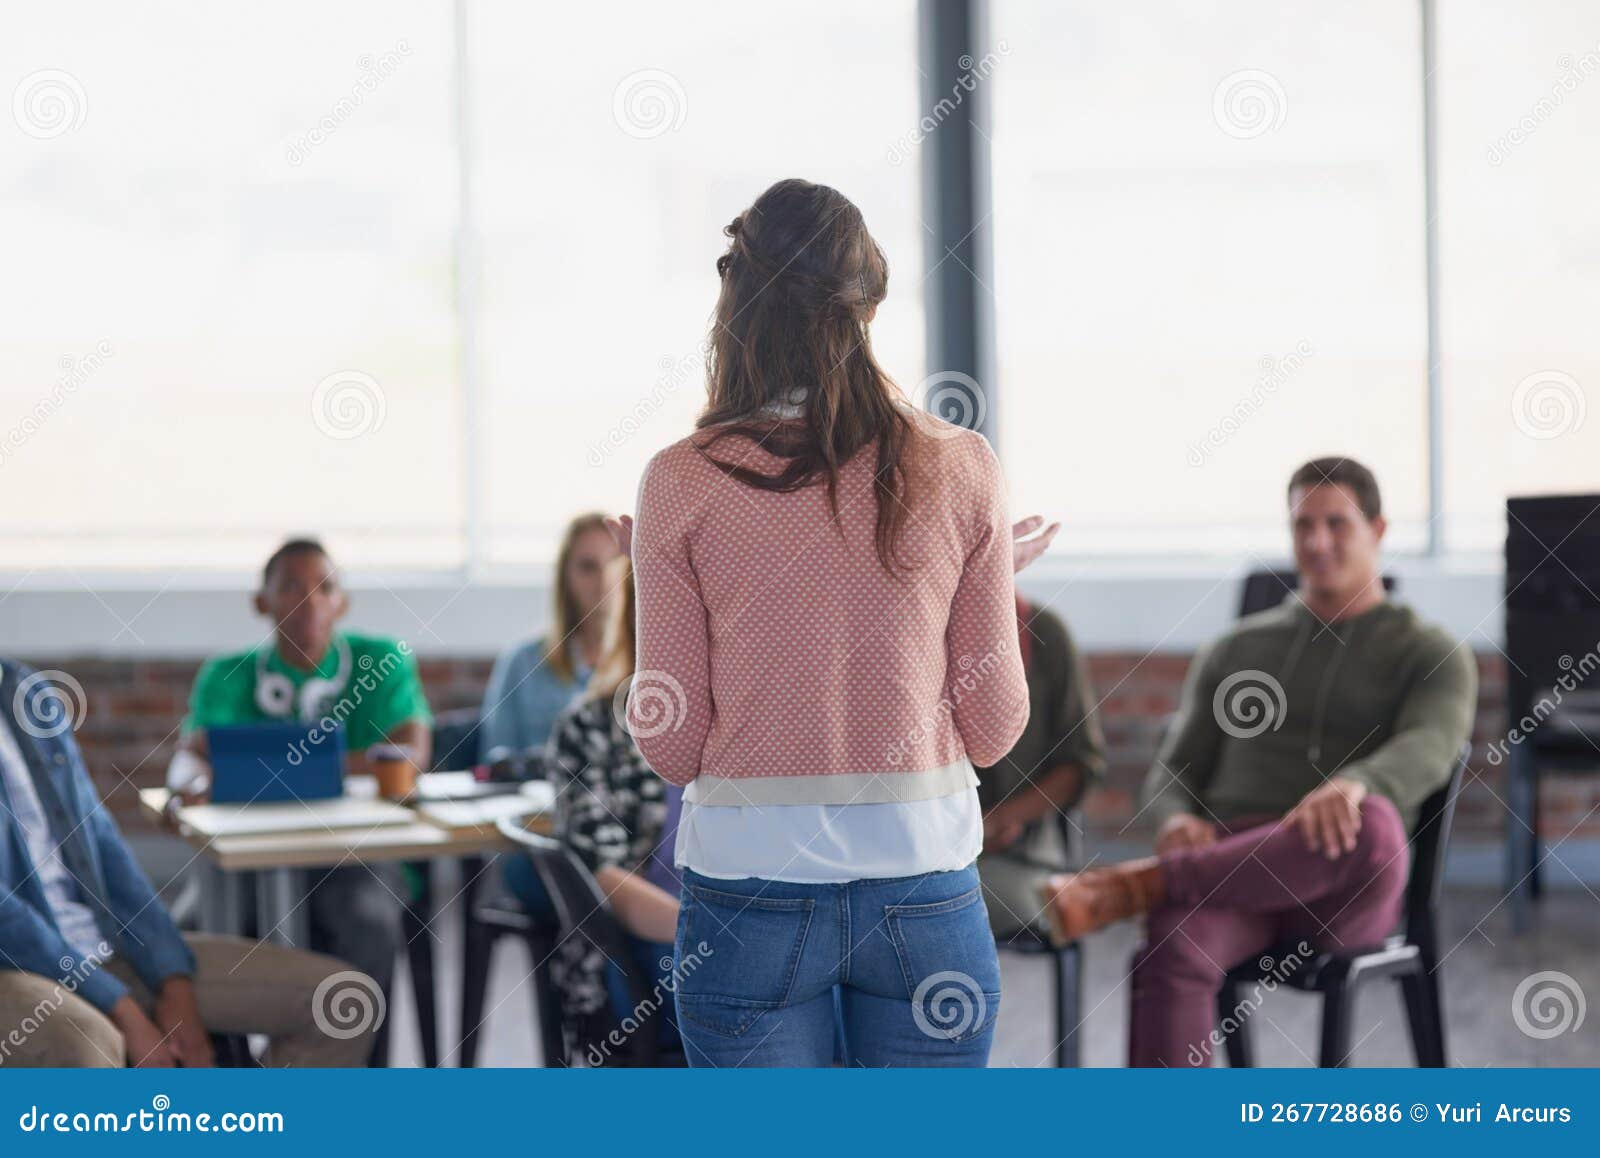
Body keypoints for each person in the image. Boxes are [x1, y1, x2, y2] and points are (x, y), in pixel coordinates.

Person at [623, 178, 1052, 1068]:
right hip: (924, 895)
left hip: (748, 904)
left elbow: (674, 747)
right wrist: (979, 575)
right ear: (867, 302)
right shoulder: (963, 469)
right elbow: (994, 730)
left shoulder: (680, 482)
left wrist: (656, 588)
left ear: (734, 301)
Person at [1035, 457, 1477, 1067]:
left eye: (1337, 524)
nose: (1317, 543)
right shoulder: (1237, 648)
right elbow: (1174, 767)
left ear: (1377, 530)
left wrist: (1355, 783)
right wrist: (1171, 820)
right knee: (1172, 942)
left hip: (1344, 889)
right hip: (1236, 884)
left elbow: (1432, 744)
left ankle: (1142, 884)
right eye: (1303, 526)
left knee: (1372, 824)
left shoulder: (1432, 652)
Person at [0, 660, 375, 1067]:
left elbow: (103, 847)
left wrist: (173, 980)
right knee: (88, 1046)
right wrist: (121, 1007)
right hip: (19, 966)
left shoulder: (28, 692)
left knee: (340, 998)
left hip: (106, 946)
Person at [165, 538, 432, 1017]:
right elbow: (192, 757)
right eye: (290, 586)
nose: (309, 600)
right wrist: (187, 786)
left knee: (366, 921)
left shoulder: (383, 661)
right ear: (260, 602)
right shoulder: (226, 674)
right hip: (246, 864)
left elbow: (408, 755)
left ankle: (343, 1067)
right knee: (181, 938)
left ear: (343, 603)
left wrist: (256, 765)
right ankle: (236, 1075)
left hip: (358, 860)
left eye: (324, 587)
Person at [542, 553, 683, 1057]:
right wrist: (715, 937)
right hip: (663, 940)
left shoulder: (753, 722)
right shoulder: (589, 727)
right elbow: (605, 876)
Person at [480, 513, 620, 917]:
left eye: (615, 565)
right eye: (588, 567)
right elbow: (497, 761)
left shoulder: (655, 667)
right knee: (586, 885)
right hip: (543, 844)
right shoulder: (522, 662)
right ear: (566, 578)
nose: (603, 581)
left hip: (627, 839)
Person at [976, 594, 1106, 935]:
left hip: (1019, 850)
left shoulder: (1042, 631)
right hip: (920, 847)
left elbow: (1080, 763)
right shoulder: (907, 628)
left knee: (942, 911)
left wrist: (997, 821)